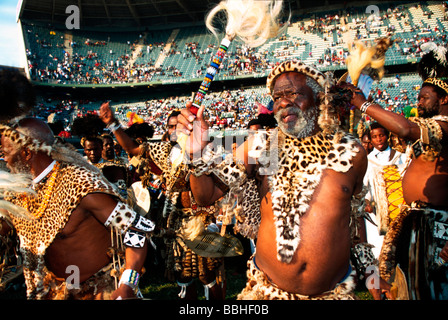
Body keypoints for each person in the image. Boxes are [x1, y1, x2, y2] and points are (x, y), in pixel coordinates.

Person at [177, 60, 369, 300]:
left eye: (293, 93)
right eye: (277, 97)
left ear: (319, 97)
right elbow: (206, 195)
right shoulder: (264, 145)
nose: (283, 102)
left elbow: (354, 217)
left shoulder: (351, 152)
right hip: (267, 294)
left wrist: (371, 272)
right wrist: (195, 154)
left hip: (333, 293)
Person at [0, 118, 155, 300]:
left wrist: (128, 284)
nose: (4, 159)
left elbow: (136, 228)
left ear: (26, 153)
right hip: (53, 292)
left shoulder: (80, 183)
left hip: (100, 291)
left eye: (6, 152)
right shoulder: (19, 192)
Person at [345, 45, 448, 300]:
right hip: (420, 224)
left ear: (444, 99)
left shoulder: (444, 127)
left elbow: (405, 130)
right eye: (419, 96)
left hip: (440, 229)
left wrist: (364, 104)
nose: (419, 101)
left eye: (425, 97)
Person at [99, 102, 225, 300]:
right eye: (170, 126)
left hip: (201, 220)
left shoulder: (205, 149)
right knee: (183, 275)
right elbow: (133, 149)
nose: (174, 130)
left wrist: (216, 220)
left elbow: (219, 186)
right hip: (173, 225)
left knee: (206, 273)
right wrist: (113, 123)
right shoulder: (166, 151)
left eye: (177, 125)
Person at [362, 122, 408, 259]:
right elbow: (365, 187)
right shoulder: (367, 161)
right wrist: (367, 202)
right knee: (378, 253)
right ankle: (377, 280)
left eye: (381, 135)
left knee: (400, 253)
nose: (378, 139)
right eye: (374, 137)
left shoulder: (402, 158)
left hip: (399, 212)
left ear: (387, 136)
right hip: (376, 216)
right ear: (370, 140)